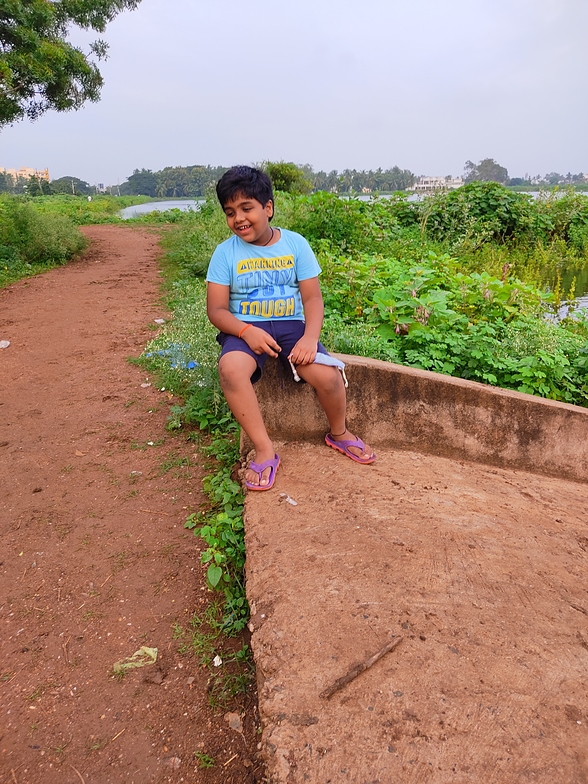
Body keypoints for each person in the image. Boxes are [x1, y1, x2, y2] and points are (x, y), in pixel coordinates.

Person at [206, 165, 375, 491]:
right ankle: (265, 449)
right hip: (245, 327)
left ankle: (338, 433)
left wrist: (310, 338)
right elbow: (216, 310)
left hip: (292, 328)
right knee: (230, 369)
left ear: (268, 208)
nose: (238, 218)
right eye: (230, 212)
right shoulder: (225, 254)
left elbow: (312, 299)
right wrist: (245, 332)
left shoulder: (296, 245)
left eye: (246, 208)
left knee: (327, 376)